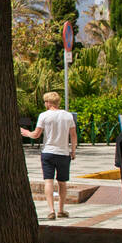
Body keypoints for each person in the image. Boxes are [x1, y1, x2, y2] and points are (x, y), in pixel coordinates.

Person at [20, 91, 78, 219]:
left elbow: (36, 135)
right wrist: (73, 151)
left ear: (48, 103)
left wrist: (26, 132)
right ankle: (61, 209)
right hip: (63, 153)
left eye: (45, 102)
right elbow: (73, 135)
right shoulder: (68, 116)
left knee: (48, 181)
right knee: (62, 182)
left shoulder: (44, 116)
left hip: (48, 153)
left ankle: (51, 210)